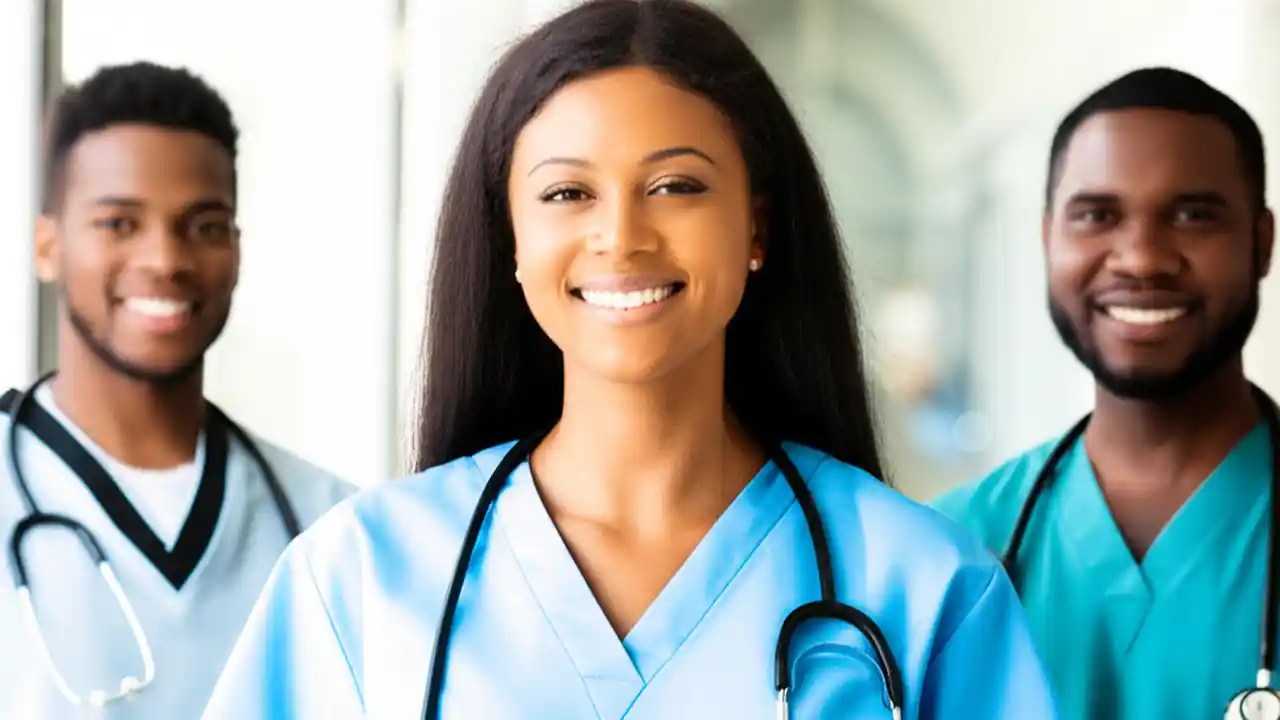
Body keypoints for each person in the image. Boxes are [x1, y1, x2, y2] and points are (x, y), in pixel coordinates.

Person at [204, 2, 1055, 718]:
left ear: (756, 226)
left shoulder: (924, 586)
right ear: (510, 236)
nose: (621, 236)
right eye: (567, 193)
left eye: (676, 186)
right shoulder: (362, 578)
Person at [0, 62, 353, 719]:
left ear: (237, 252)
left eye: (204, 226)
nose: (165, 260)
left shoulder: (334, 527)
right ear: (47, 246)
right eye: (119, 223)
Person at [932, 67, 1276, 720]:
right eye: (1097, 215)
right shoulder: (949, 545)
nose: (1142, 258)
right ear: (1048, 238)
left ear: (1261, 243)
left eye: (1193, 215)